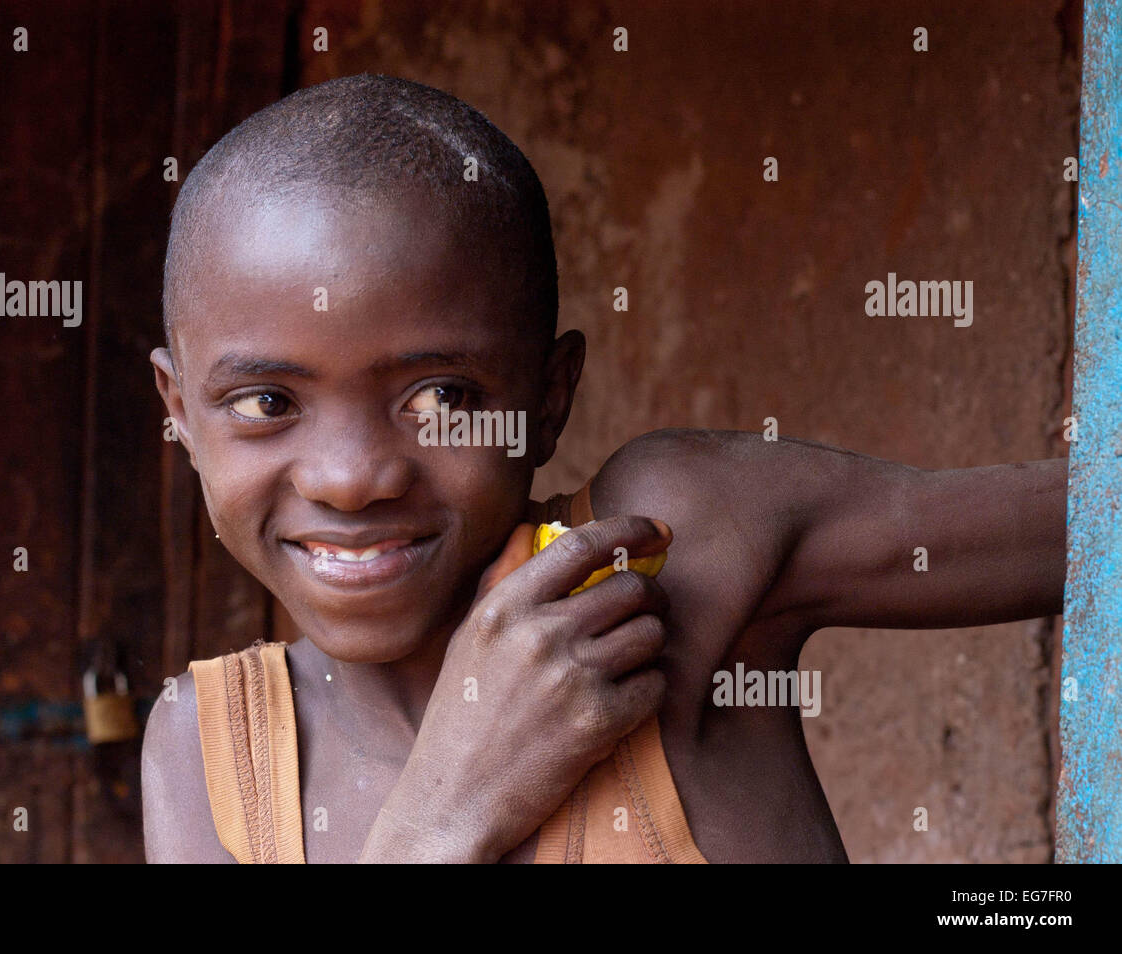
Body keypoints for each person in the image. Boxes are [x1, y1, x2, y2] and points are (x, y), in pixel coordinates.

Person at [140, 73, 1066, 863]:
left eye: (444, 398)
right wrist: (444, 816)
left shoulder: (681, 555)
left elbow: (1085, 528)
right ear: (181, 415)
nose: (351, 479)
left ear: (550, 399)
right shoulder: (213, 751)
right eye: (268, 403)